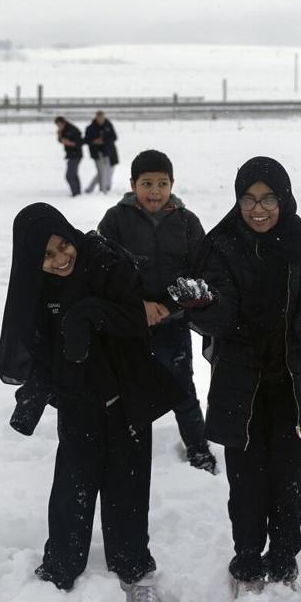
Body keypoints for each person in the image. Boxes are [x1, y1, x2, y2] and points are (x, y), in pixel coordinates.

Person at [0, 203, 184, 602]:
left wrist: (86, 314)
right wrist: (37, 392)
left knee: (127, 488)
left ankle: (134, 570)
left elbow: (136, 319)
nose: (61, 258)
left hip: (126, 396)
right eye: (47, 255)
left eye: (63, 245)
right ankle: (61, 568)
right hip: (78, 400)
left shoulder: (104, 261)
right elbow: (39, 347)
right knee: (72, 487)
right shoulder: (36, 287)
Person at [170, 157, 301, 595]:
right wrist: (203, 304)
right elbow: (222, 316)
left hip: (292, 383)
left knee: (291, 480)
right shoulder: (221, 244)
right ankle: (246, 559)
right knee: (245, 484)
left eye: (267, 199)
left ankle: (283, 557)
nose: (258, 209)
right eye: (248, 199)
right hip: (239, 386)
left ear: (284, 199)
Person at [97, 149, 217, 474]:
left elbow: (201, 272)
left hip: (172, 325)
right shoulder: (115, 220)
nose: (155, 191)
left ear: (172, 184)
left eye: (162, 184)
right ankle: (125, 450)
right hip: (129, 326)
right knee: (125, 391)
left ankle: (198, 449)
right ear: (132, 184)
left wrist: (167, 305)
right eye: (147, 183)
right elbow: (103, 270)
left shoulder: (187, 222)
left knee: (182, 390)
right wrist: (139, 307)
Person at [83, 111, 119, 194]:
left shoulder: (108, 125)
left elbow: (114, 137)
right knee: (102, 171)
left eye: (102, 118)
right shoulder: (90, 128)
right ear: (96, 117)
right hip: (96, 153)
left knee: (105, 171)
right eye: (99, 118)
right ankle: (103, 190)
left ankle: (93, 189)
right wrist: (94, 141)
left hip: (108, 152)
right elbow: (86, 140)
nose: (100, 119)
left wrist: (104, 141)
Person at [55, 117, 84, 197]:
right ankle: (77, 193)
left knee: (69, 176)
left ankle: (75, 193)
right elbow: (62, 141)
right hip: (70, 155)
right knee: (74, 174)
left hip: (76, 155)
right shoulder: (63, 130)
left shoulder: (73, 129)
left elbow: (81, 142)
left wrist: (71, 143)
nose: (58, 127)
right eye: (57, 125)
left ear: (63, 123)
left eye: (59, 125)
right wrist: (59, 136)